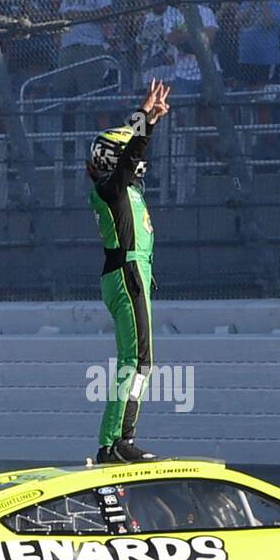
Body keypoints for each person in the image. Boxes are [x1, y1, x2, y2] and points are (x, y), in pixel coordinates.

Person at [86, 78, 170, 464]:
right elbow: (128, 158)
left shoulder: (129, 189)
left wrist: (148, 122)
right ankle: (112, 442)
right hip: (126, 273)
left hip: (136, 274)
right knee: (134, 361)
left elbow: (132, 158)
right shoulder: (109, 189)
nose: (138, 161)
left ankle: (122, 437)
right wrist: (144, 120)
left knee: (143, 363)